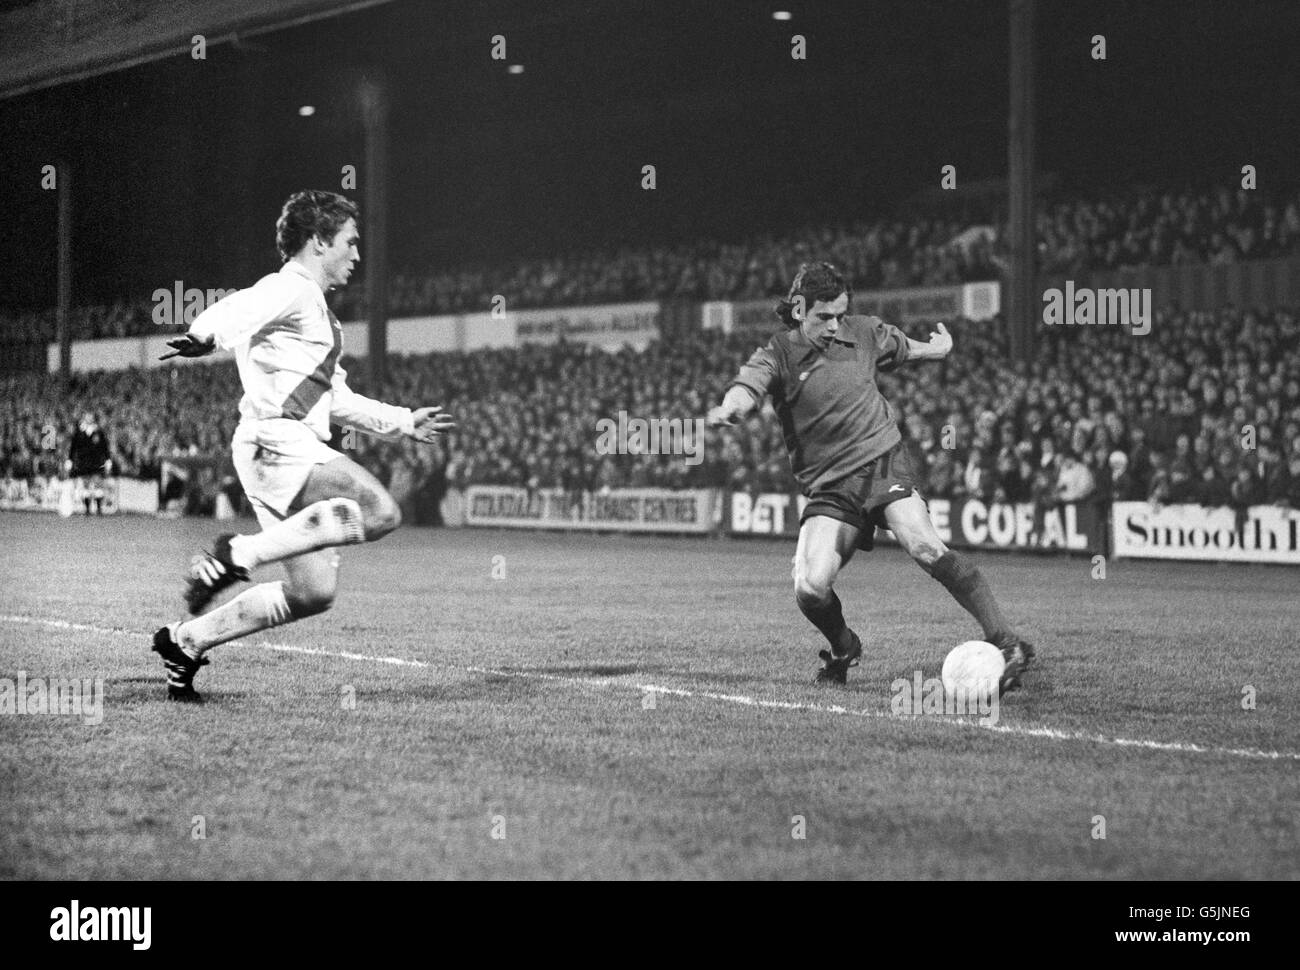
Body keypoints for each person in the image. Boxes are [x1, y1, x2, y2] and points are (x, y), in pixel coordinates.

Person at [151, 190, 455, 702]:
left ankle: (186, 642)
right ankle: (237, 552)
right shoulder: (292, 288)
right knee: (380, 511)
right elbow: (241, 306)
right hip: (279, 442)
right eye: (349, 242)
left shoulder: (316, 311)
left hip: (273, 450)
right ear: (318, 242)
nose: (357, 255)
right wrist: (205, 334)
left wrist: (403, 420)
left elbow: (337, 399)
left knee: (312, 593)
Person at [706, 261, 1035, 692]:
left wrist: (935, 349)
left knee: (925, 546)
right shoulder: (777, 353)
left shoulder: (862, 332)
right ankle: (844, 647)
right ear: (799, 309)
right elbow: (748, 385)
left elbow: (902, 347)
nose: (834, 325)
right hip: (830, 485)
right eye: (824, 316)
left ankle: (1007, 642)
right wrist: (732, 406)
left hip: (883, 461)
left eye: (840, 314)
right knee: (809, 587)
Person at [66, 411, 112, 515]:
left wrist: (108, 459)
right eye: (87, 416)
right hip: (83, 463)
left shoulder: (99, 432)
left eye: (90, 416)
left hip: (97, 462)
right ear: (84, 418)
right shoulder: (79, 432)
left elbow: (105, 447)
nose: (89, 418)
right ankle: (87, 510)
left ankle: (99, 509)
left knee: (98, 484)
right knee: (85, 486)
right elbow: (73, 448)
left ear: (93, 418)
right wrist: (70, 460)